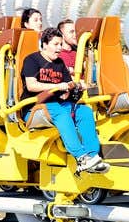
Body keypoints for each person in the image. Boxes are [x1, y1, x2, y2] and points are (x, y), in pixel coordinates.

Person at [21, 27, 109, 174]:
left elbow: (66, 90)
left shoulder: (60, 63)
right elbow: (31, 85)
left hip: (57, 104)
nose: (59, 48)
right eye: (55, 44)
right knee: (60, 112)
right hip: (34, 108)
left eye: (60, 44)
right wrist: (56, 86)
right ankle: (81, 157)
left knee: (84, 112)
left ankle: (93, 157)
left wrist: (77, 87)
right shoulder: (32, 60)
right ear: (44, 44)